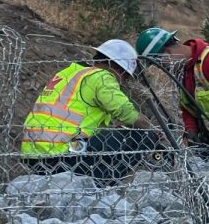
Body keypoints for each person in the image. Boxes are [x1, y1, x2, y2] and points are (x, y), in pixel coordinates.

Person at [20, 40, 158, 179]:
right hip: (62, 153)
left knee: (108, 138)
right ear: (119, 69)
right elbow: (125, 111)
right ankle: (99, 187)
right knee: (142, 137)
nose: (122, 82)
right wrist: (151, 130)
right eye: (125, 77)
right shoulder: (101, 76)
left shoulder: (71, 72)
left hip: (34, 154)